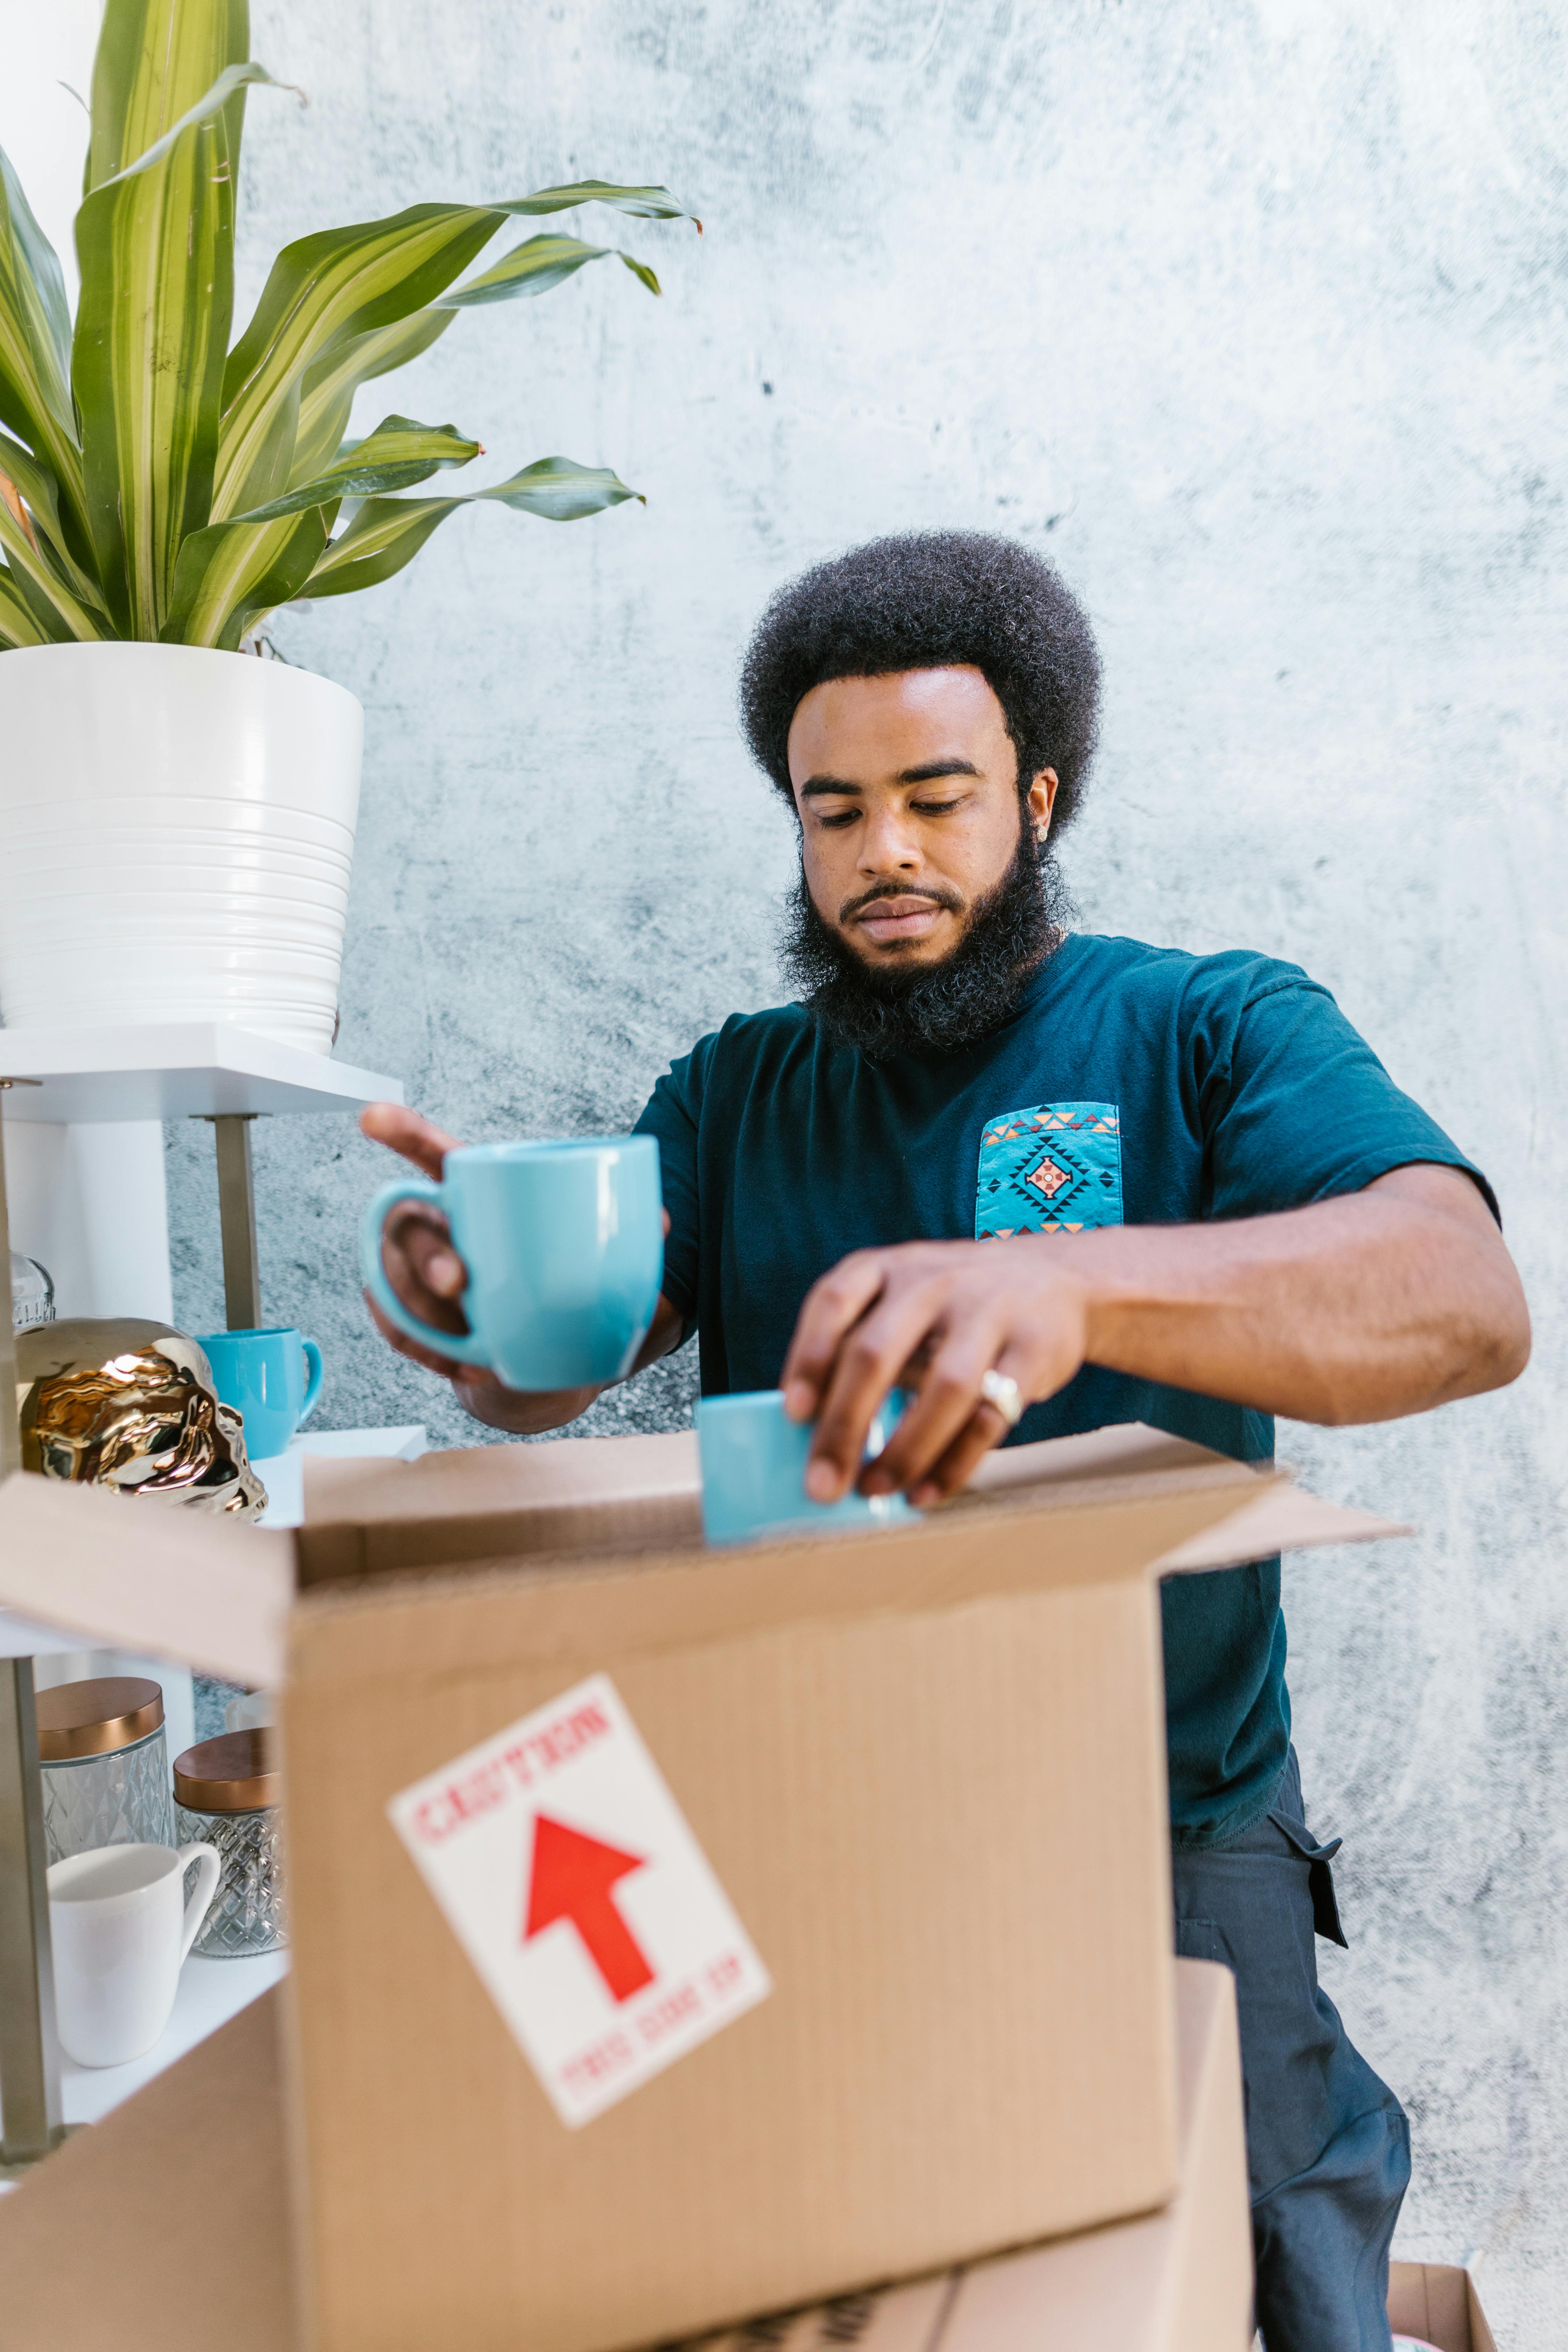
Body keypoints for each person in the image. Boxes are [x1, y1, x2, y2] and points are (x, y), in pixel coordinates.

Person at [362, 531, 1530, 2352]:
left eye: (934, 797)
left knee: (1283, 2227)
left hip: (1168, 1814)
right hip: (810, 1807)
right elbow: (570, 1366)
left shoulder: (1210, 1024)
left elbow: (1460, 1302)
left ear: (1037, 797)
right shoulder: (742, 1084)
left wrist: (1073, 1282)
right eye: (833, 812)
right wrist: (482, 1301)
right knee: (859, 2261)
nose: (882, 854)